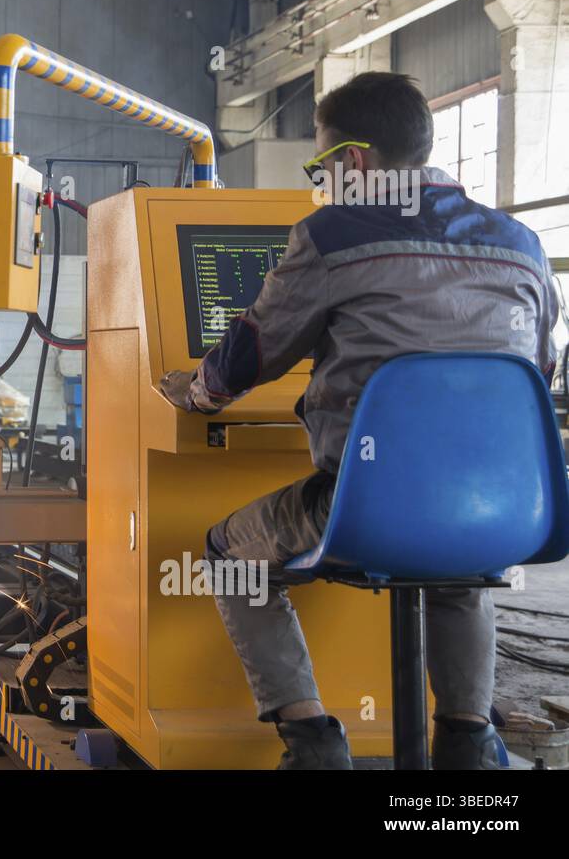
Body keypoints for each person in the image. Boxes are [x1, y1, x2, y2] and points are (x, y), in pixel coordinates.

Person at [158, 71, 560, 770]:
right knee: (457, 560)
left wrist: (193, 393)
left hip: (368, 511)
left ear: (354, 163)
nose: (323, 181)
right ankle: (468, 741)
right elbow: (537, 375)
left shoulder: (331, 235)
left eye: (322, 164)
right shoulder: (521, 244)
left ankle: (313, 738)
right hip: (504, 511)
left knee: (229, 556)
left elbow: (249, 355)